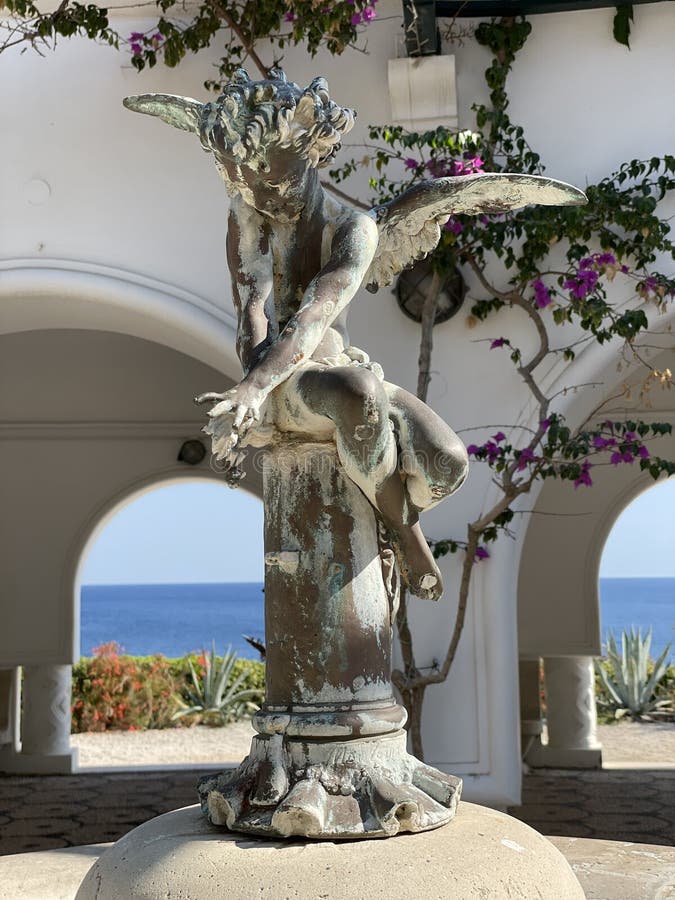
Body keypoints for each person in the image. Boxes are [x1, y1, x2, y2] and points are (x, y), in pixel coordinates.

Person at [124, 69, 469, 601]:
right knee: (358, 394)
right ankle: (402, 528)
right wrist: (253, 389)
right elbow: (253, 311)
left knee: (448, 462)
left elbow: (314, 315)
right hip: (281, 383)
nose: (265, 196)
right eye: (249, 183)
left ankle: (385, 505)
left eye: (276, 180)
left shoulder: (355, 229)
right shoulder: (249, 216)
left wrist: (254, 386)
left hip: (328, 364)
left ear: (310, 153)